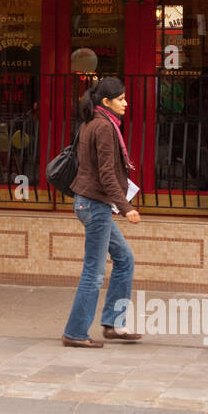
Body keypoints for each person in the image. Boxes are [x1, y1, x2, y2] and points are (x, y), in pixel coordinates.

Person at [61, 76, 144, 347]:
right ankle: (75, 333)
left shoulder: (93, 123)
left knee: (125, 259)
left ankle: (113, 324)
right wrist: (126, 207)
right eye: (120, 99)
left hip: (90, 202)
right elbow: (107, 173)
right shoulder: (105, 127)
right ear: (106, 102)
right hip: (94, 205)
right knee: (94, 273)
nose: (125, 103)